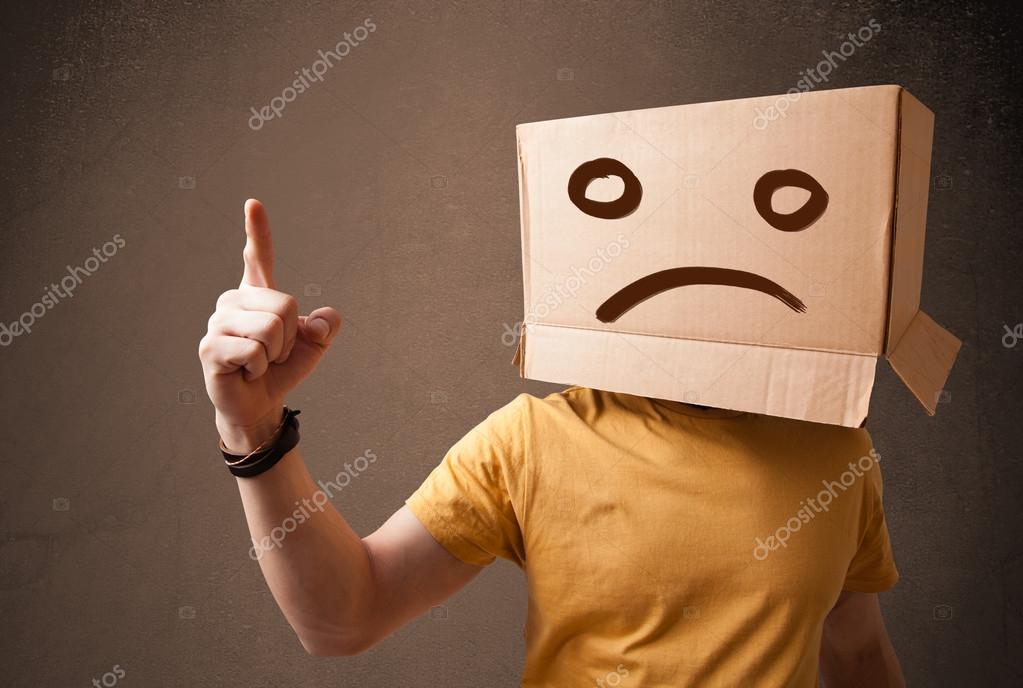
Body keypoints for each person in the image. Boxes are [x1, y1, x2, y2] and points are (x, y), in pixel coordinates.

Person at [198, 199, 907, 687]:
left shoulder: (835, 450)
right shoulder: (531, 441)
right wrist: (254, 430)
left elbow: (858, 647)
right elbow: (344, 619)